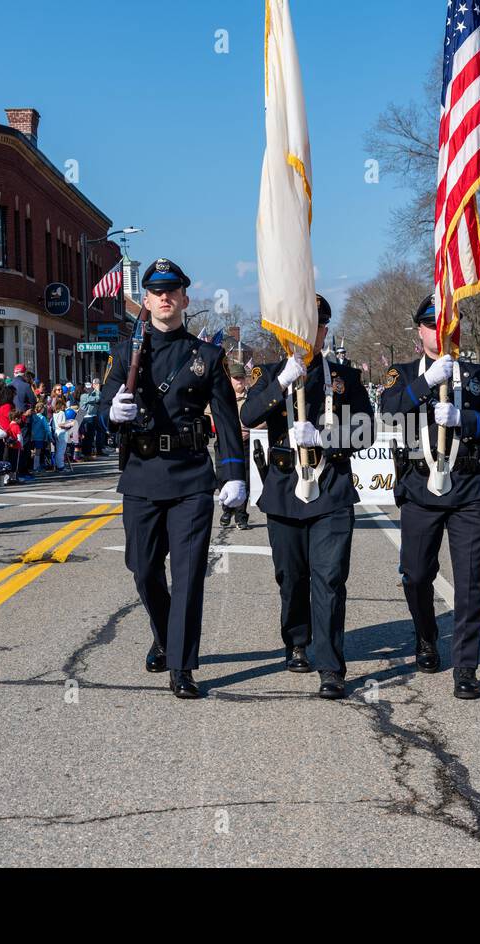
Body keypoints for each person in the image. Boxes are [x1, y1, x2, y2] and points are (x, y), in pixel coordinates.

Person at [100, 258, 246, 701]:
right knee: (143, 570)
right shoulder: (126, 352)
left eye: (172, 290)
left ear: (184, 297)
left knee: (188, 575)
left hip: (189, 477)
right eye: (156, 290)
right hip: (142, 475)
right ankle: (165, 635)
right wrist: (111, 412)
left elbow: (225, 419)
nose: (164, 297)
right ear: (146, 299)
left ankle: (182, 665)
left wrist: (234, 474)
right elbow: (107, 405)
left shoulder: (207, 356)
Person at [239, 294, 374, 701]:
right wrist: (281, 383)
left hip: (330, 486)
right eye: (298, 324)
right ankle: (296, 638)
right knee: (290, 576)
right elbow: (247, 418)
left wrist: (325, 438)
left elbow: (365, 431)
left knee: (330, 578)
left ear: (323, 331)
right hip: (283, 489)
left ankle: (330, 665)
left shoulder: (344, 378)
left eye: (314, 325)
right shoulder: (269, 372)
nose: (306, 332)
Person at [379, 295, 480, 699]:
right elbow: (388, 411)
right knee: (416, 574)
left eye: (447, 324)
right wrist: (426, 383)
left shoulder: (479, 374)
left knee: (471, 580)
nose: (439, 331)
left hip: (469, 487)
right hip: (421, 487)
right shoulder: (400, 373)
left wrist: (467, 418)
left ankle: (467, 666)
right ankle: (425, 635)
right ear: (418, 331)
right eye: (430, 324)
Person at [220, 361, 253, 530]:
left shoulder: (252, 397)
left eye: (242, 378)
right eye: (236, 378)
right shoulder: (221, 397)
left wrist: (250, 429)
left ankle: (241, 517)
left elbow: (262, 417)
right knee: (224, 477)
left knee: (244, 480)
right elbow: (209, 415)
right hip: (225, 443)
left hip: (246, 444)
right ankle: (227, 509)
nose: (240, 381)